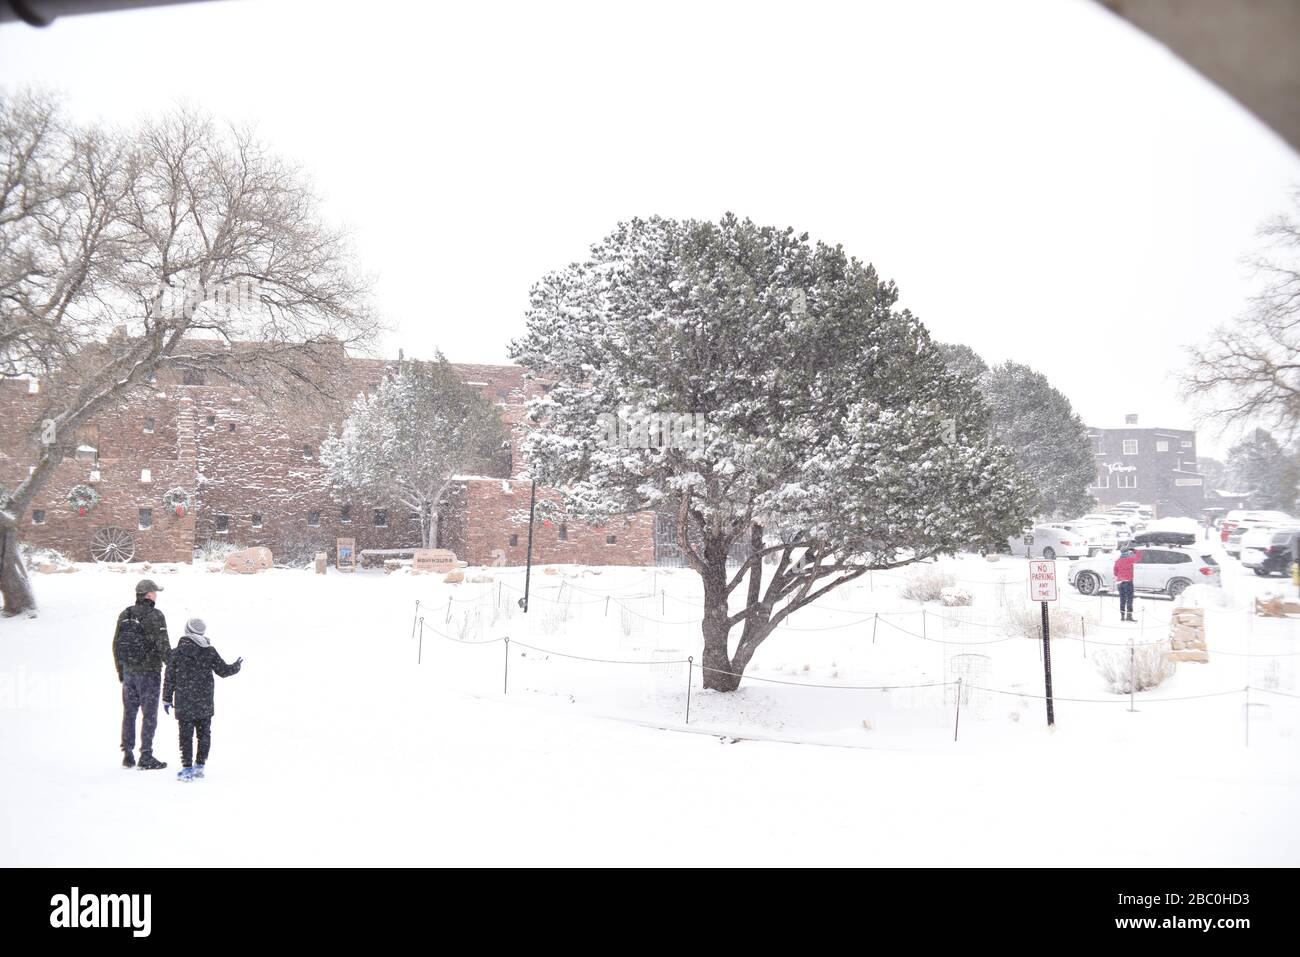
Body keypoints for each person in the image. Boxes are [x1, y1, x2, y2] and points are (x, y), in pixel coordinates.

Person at [162, 618, 242, 782]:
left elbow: (169, 678)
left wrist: (167, 698)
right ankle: (200, 766)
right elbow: (223, 671)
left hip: (184, 701)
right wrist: (236, 666)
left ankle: (187, 769)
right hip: (204, 700)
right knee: (204, 734)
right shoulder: (209, 651)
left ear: (187, 631)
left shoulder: (177, 652)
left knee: (185, 736)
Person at [113, 579, 171, 770]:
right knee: (149, 715)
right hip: (149, 673)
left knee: (129, 714)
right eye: (155, 592)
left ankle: (128, 755)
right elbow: (163, 645)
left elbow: (116, 644)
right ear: (149, 595)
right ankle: (146, 755)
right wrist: (173, 668)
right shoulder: (156, 615)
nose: (156, 596)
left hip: (129, 673)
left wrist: (121, 670)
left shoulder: (125, 614)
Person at [1113, 545, 1143, 622]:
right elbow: (1138, 557)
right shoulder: (1130, 559)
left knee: (1122, 599)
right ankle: (1129, 616)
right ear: (1127, 552)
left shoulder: (1118, 561)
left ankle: (1122, 616)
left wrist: (1120, 575)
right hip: (1128, 582)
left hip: (1120, 582)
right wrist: (1134, 550)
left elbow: (1115, 573)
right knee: (1129, 599)